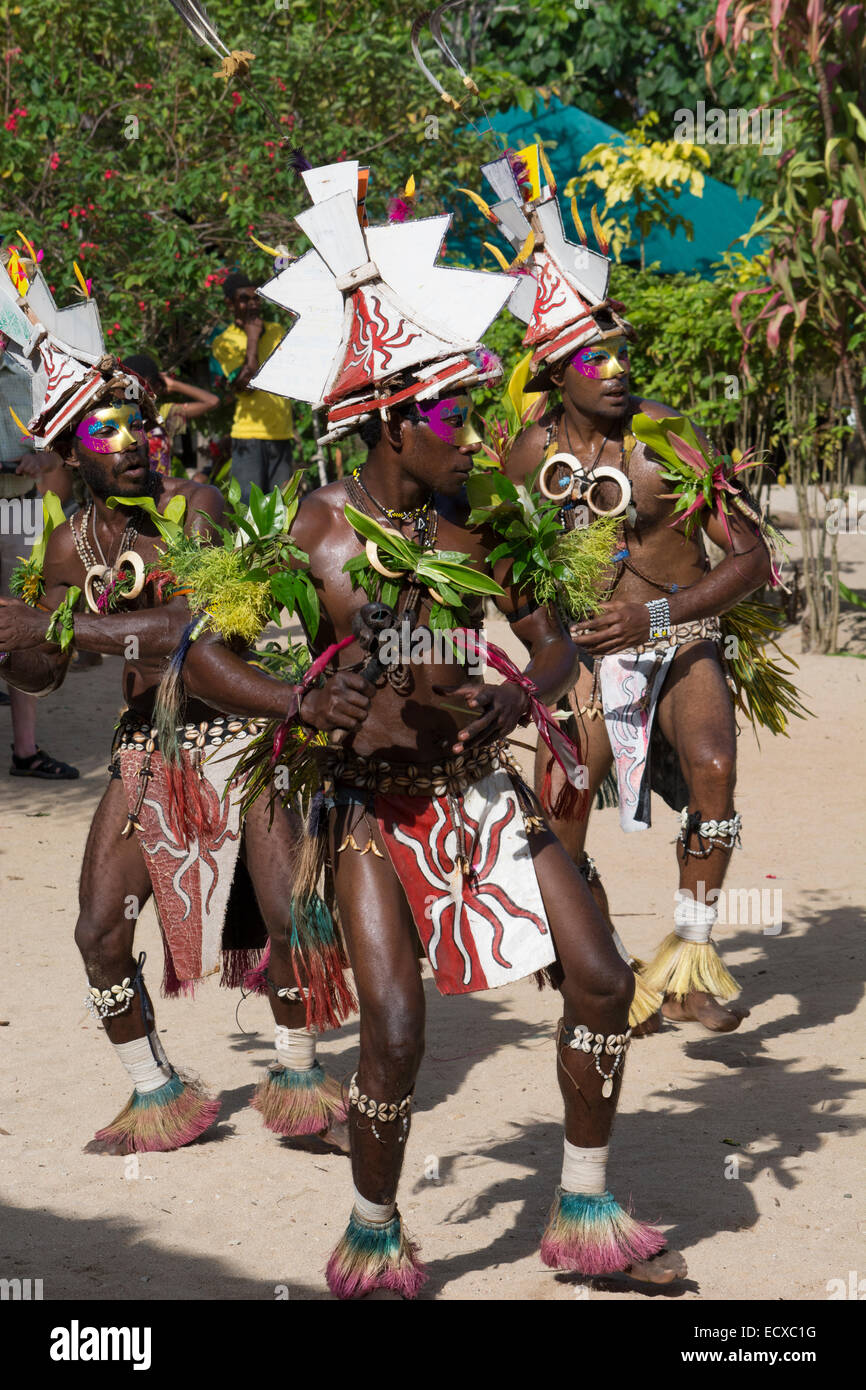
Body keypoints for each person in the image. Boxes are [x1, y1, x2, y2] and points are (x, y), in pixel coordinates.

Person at [180, 158, 685, 1297]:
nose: (471, 432)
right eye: (451, 413)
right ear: (388, 422)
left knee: (601, 976)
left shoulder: (483, 520)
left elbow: (555, 639)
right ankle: (373, 1232)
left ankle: (588, 1210)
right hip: (361, 806)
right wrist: (299, 699)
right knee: (396, 1030)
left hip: (476, 788)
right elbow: (201, 657)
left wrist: (528, 688)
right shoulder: (312, 532)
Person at [0, 244, 351, 1152]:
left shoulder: (197, 506)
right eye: (103, 430)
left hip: (239, 732)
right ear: (68, 451)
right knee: (98, 931)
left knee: (286, 916)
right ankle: (155, 1091)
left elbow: (188, 636)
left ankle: (301, 1072)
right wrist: (17, 646)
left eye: (136, 426)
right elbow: (40, 669)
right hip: (147, 746)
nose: (128, 443)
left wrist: (61, 633)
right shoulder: (67, 547)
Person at [489, 144, 779, 1034]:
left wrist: (660, 613)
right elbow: (507, 570)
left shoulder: (671, 443)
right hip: (586, 656)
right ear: (552, 372)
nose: (617, 370)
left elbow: (751, 557)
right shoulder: (526, 457)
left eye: (622, 353)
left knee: (716, 775)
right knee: (567, 814)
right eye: (595, 358)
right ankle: (604, 972)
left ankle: (693, 959)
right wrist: (555, 645)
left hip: (682, 636)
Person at [0, 333, 78, 777]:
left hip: (19, 508)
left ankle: (26, 751)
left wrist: (37, 459)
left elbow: (56, 453)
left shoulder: (31, 376)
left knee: (23, 624)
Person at [210, 271, 295, 502]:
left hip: (282, 434)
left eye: (256, 297)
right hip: (248, 437)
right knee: (249, 511)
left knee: (283, 510)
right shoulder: (224, 342)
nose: (252, 304)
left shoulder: (277, 331)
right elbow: (245, 386)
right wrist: (253, 338)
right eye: (244, 299)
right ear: (230, 304)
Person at [122, 352, 219, 478]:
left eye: (148, 387)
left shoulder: (162, 413)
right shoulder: (116, 415)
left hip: (161, 494)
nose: (143, 393)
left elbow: (212, 401)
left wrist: (174, 385)